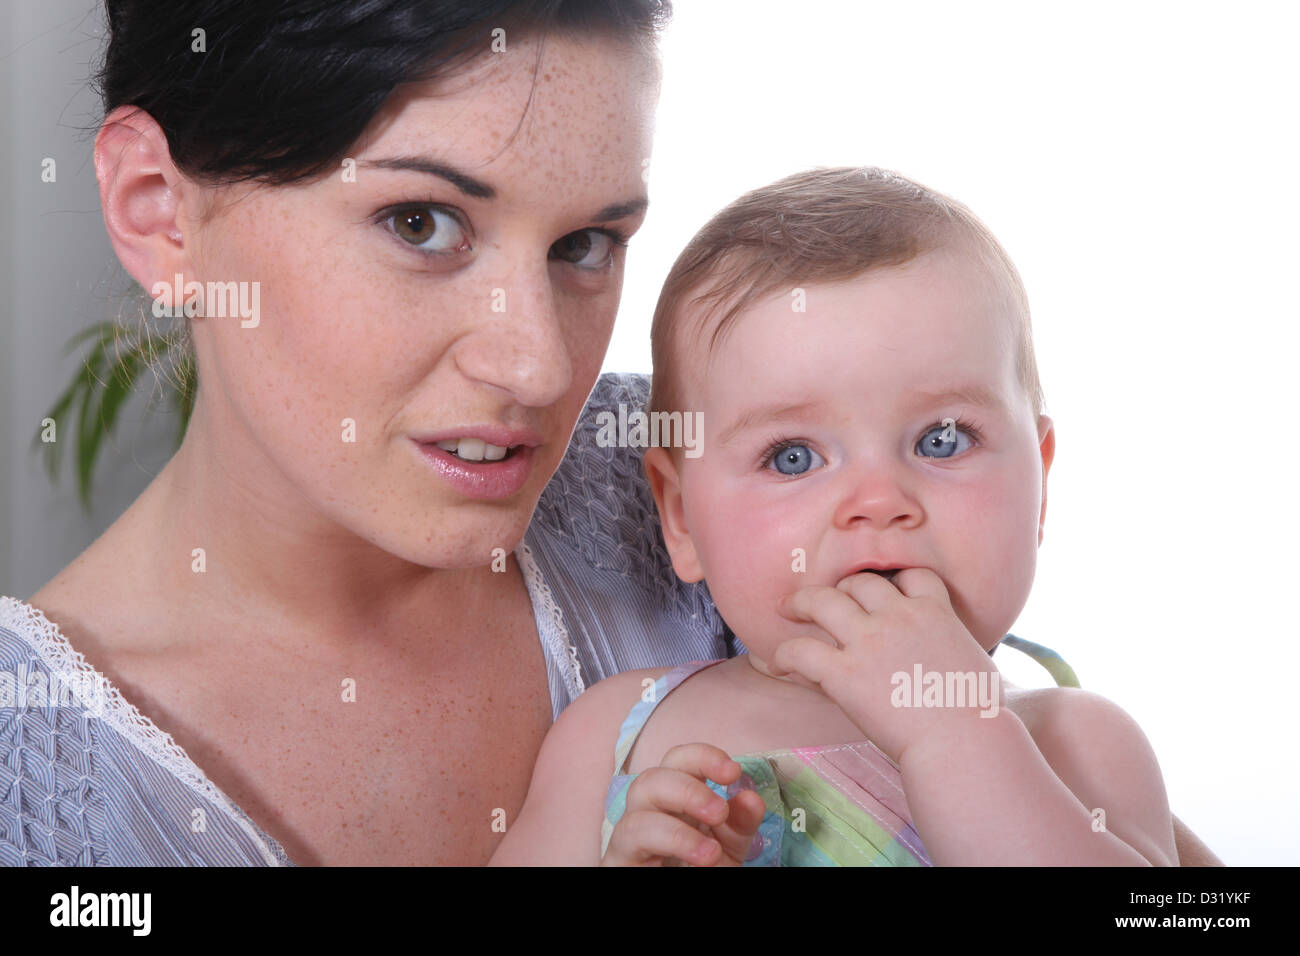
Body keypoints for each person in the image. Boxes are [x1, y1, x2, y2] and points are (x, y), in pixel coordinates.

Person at [0, 1, 1220, 867]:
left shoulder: (735, 459)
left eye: (588, 243)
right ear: (161, 216)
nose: (541, 368)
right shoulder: (38, 798)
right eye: (422, 222)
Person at [490, 168, 1180, 866]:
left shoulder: (1077, 743)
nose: (878, 502)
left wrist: (956, 734)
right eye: (792, 457)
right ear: (681, 517)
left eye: (942, 439)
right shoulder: (617, 735)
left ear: (1040, 486)